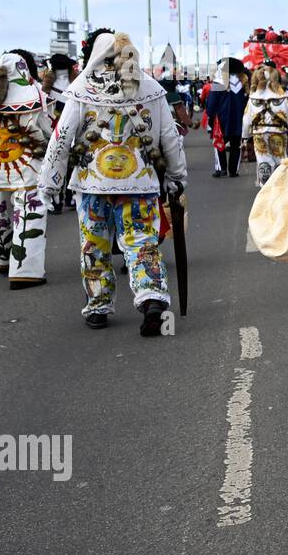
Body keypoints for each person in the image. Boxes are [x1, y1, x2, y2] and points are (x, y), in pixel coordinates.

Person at [38, 32, 187, 334]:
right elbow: (170, 139)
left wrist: (49, 182)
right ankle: (151, 298)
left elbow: (62, 138)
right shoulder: (151, 88)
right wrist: (176, 177)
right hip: (140, 185)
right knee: (142, 242)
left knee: (94, 245)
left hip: (92, 186)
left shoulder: (83, 89)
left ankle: (98, 305)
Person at [0, 52, 52, 288]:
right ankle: (24, 269)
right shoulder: (36, 96)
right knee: (29, 212)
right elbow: (45, 131)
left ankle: (3, 257)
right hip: (28, 166)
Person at [242, 61, 288, 186]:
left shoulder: (253, 98)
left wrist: (245, 137)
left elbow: (246, 120)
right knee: (282, 161)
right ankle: (282, 187)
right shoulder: (283, 97)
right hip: (279, 133)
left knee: (263, 161)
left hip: (259, 133)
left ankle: (265, 188)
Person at [205, 57, 248, 177]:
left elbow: (212, 104)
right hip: (239, 119)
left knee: (219, 142)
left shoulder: (219, 83)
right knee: (236, 145)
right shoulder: (244, 83)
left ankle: (221, 168)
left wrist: (210, 115)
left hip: (221, 119)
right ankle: (233, 170)